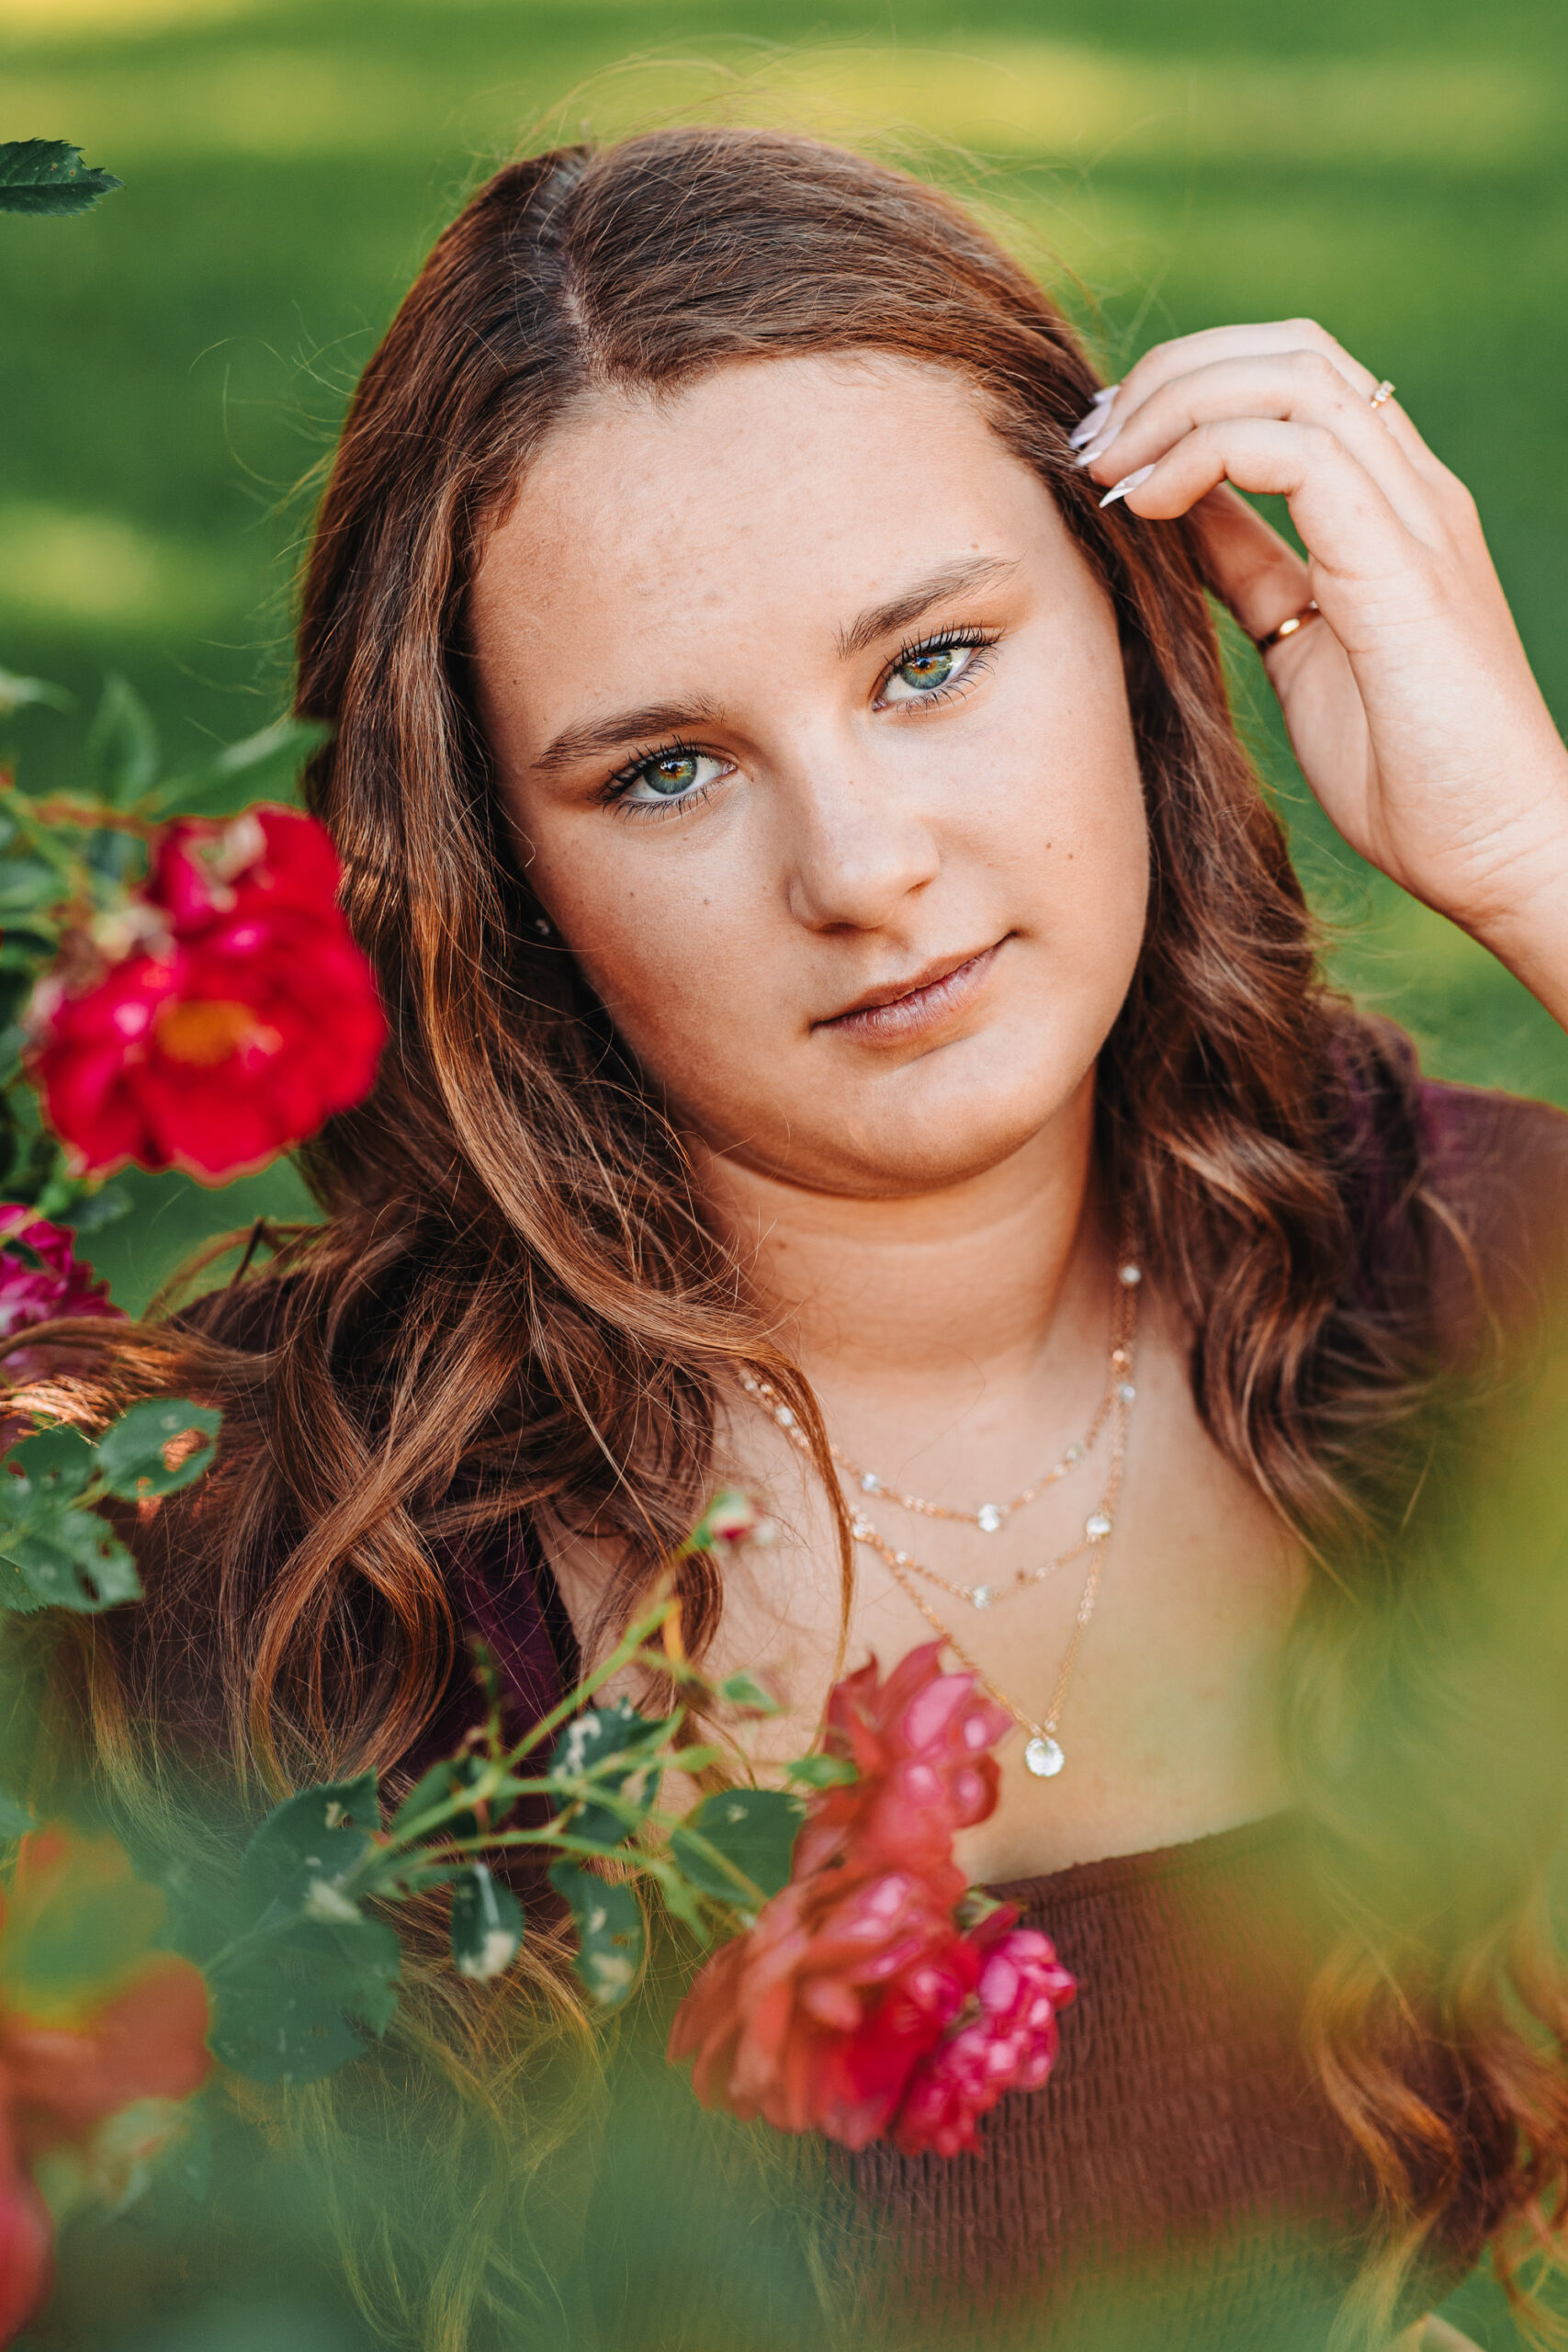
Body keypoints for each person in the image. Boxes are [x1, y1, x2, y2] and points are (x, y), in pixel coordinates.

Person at [17, 127, 1568, 2352]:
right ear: (502, 868)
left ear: (1136, 632)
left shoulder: (1489, 1277)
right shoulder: (277, 1572)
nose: (858, 865)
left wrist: (1528, 864)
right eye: (664, 770)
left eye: (930, 661)